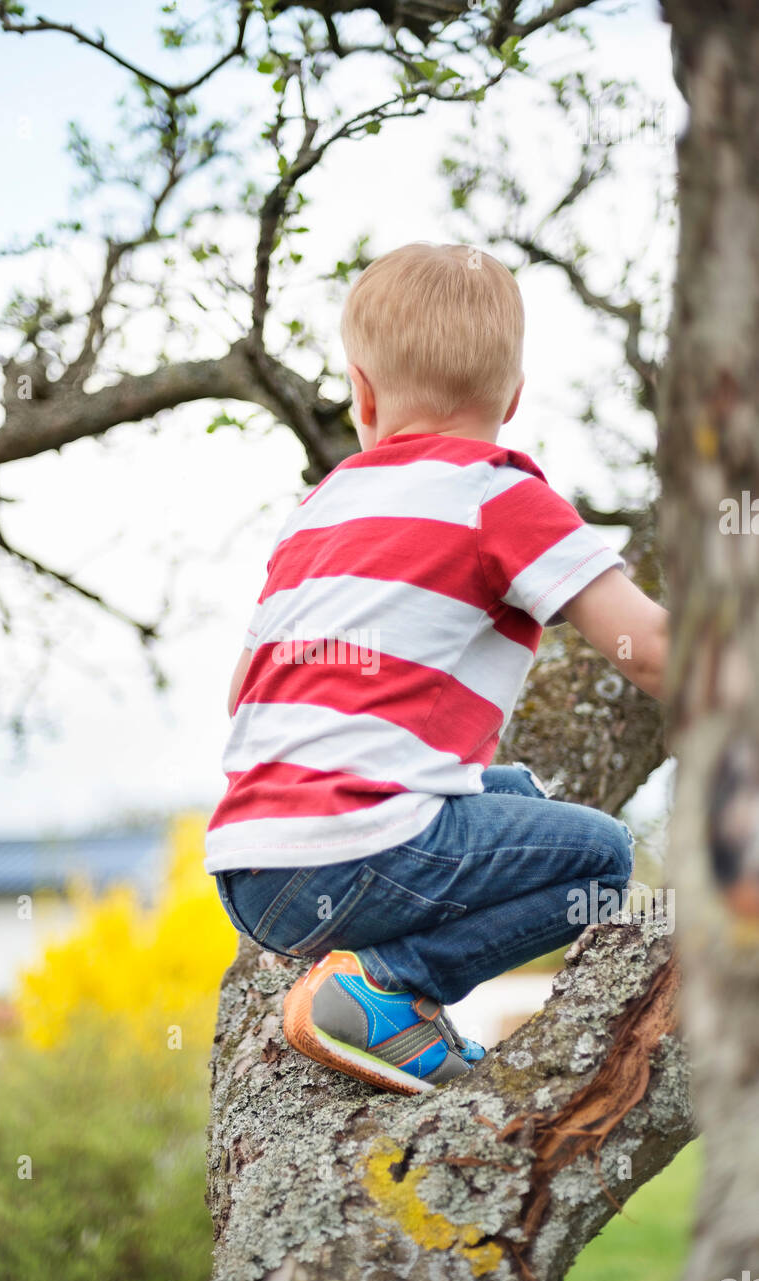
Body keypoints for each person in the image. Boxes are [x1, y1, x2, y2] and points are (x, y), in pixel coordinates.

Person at [204, 242, 668, 1096]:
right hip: (349, 858)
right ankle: (386, 987)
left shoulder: (321, 507)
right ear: (514, 398)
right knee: (599, 860)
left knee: (517, 799)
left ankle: (396, 1009)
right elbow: (654, 653)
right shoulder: (498, 493)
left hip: (249, 866)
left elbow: (243, 693)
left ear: (362, 391)